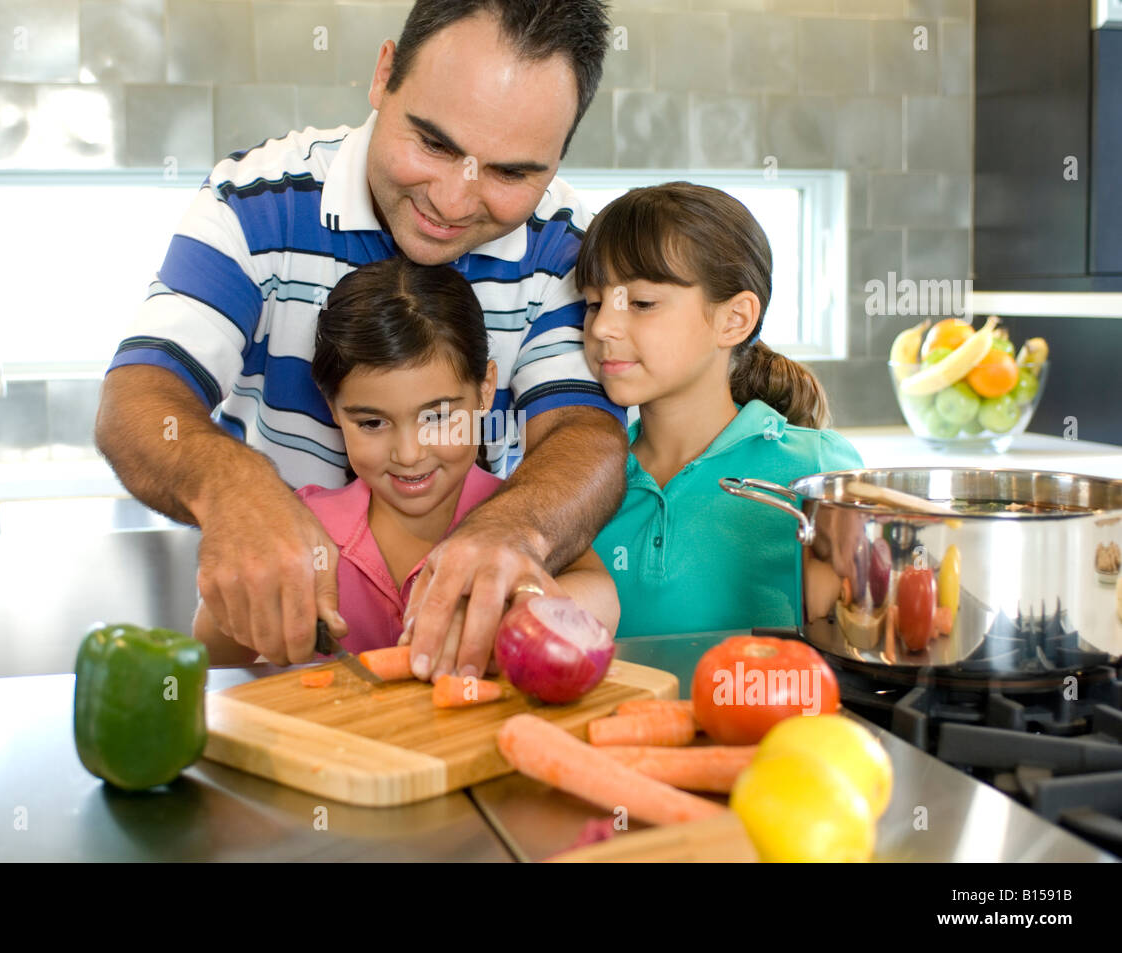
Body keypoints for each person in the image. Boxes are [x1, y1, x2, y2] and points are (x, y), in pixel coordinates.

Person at [94, 0, 629, 680]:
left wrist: (508, 536)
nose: (456, 201)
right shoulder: (254, 203)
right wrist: (230, 487)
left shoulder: (567, 244)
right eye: (434, 144)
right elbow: (139, 398)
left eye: (509, 173)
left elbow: (587, 436)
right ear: (383, 76)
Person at [194, 258, 619, 667]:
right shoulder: (303, 525)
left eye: (437, 417)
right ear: (334, 409)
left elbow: (602, 600)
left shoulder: (527, 515)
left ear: (486, 390)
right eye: (373, 422)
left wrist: (510, 606)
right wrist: (248, 597)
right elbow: (213, 654)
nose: (409, 454)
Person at [577, 182, 864, 671]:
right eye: (592, 302)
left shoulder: (819, 471)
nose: (603, 326)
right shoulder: (580, 480)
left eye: (641, 303)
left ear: (734, 320)